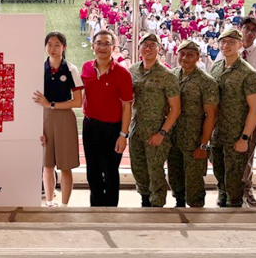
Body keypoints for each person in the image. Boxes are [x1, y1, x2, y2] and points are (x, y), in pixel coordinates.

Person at [209, 28, 256, 208]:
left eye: (232, 42)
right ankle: (223, 203)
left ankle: (234, 213)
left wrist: (244, 138)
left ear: (240, 45)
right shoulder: (216, 67)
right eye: (223, 42)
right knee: (220, 175)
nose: (226, 45)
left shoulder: (249, 73)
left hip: (237, 134)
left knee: (234, 181)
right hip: (218, 133)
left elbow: (255, 110)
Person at [81, 29, 133, 207]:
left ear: (113, 47)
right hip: (90, 126)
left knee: (110, 172)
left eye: (107, 44)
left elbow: (127, 106)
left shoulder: (122, 73)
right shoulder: (86, 67)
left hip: (112, 129)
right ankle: (95, 209)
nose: (102, 47)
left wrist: (123, 135)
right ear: (93, 45)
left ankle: (111, 211)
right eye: (99, 43)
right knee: (92, 172)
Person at [128, 33, 180, 207]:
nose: (148, 48)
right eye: (145, 45)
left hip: (157, 129)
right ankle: (145, 200)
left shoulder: (167, 75)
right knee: (138, 168)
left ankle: (157, 206)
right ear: (139, 48)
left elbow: (175, 108)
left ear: (159, 49)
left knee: (155, 170)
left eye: (152, 45)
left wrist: (162, 133)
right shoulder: (133, 70)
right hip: (136, 128)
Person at [33, 31, 83, 207]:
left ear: (64, 47)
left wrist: (51, 105)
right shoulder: (39, 69)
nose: (52, 49)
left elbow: (78, 102)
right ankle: (49, 202)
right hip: (45, 119)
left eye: (57, 45)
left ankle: (64, 205)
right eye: (49, 45)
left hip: (64, 119)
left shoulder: (71, 69)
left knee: (65, 165)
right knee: (47, 164)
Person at [167, 40, 217, 208]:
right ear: (177, 54)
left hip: (194, 139)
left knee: (194, 182)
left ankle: (196, 215)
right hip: (173, 138)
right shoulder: (171, 76)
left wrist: (203, 145)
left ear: (197, 57)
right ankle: (179, 206)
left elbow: (211, 115)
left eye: (190, 54)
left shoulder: (206, 82)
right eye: (182, 53)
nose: (185, 58)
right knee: (174, 176)